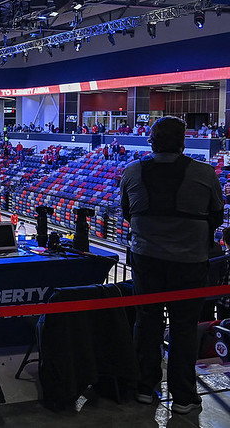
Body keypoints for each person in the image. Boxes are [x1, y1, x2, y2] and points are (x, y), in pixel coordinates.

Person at [120, 116, 223, 414]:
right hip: (189, 263)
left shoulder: (133, 171)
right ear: (183, 142)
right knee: (184, 328)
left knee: (147, 321)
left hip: (146, 259)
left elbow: (128, 212)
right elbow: (216, 213)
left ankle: (143, 388)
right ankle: (183, 397)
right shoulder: (205, 173)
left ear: (151, 141)